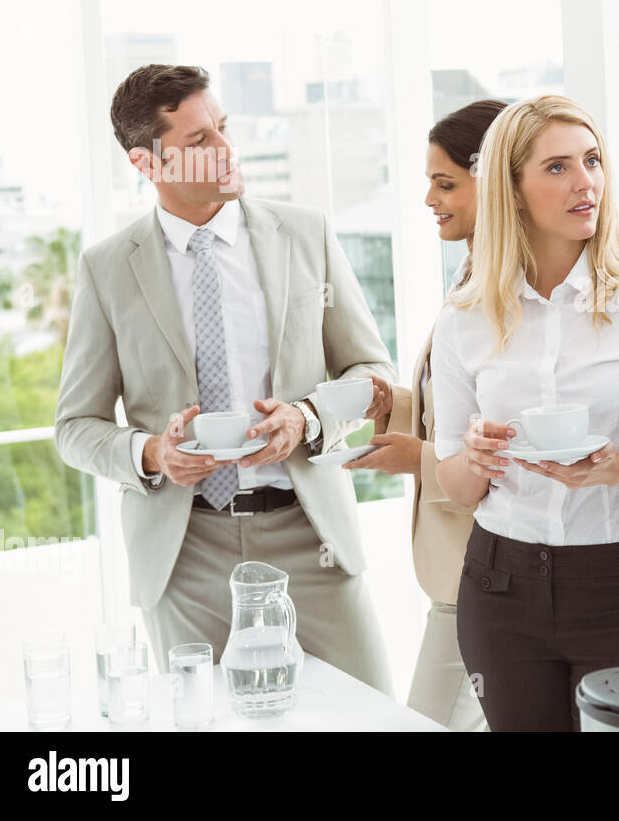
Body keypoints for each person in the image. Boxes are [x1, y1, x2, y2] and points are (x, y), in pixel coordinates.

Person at [55, 64, 395, 693]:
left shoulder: (306, 233)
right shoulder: (107, 269)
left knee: (371, 711)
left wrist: (308, 417)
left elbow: (373, 371)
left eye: (224, 128)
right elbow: (74, 427)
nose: (226, 150)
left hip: (309, 533)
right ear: (145, 163)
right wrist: (151, 452)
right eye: (198, 141)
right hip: (185, 552)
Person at [430, 94, 619, 731]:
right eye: (558, 167)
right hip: (500, 587)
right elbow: (454, 481)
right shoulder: (463, 319)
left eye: (592, 160)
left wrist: (618, 470)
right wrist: (475, 457)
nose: (586, 181)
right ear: (511, 189)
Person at [344, 99, 507, 731]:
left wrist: (421, 459)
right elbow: (464, 404)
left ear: (491, 181)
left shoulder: (510, 287)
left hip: (489, 567)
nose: (429, 200)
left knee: (428, 721)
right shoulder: (476, 270)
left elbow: (511, 438)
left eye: (445, 183)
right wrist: (399, 407)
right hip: (463, 570)